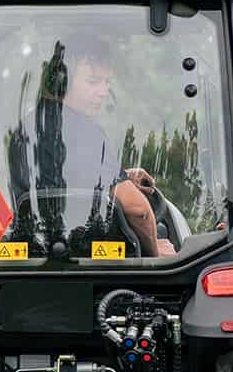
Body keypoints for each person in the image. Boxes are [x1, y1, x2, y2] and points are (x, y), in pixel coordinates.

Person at [47, 38, 176, 257]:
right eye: (92, 82)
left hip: (38, 256)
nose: (103, 92)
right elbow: (138, 211)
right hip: (95, 261)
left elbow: (60, 183)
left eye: (107, 82)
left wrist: (121, 177)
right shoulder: (87, 132)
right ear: (63, 81)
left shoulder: (27, 130)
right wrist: (157, 255)